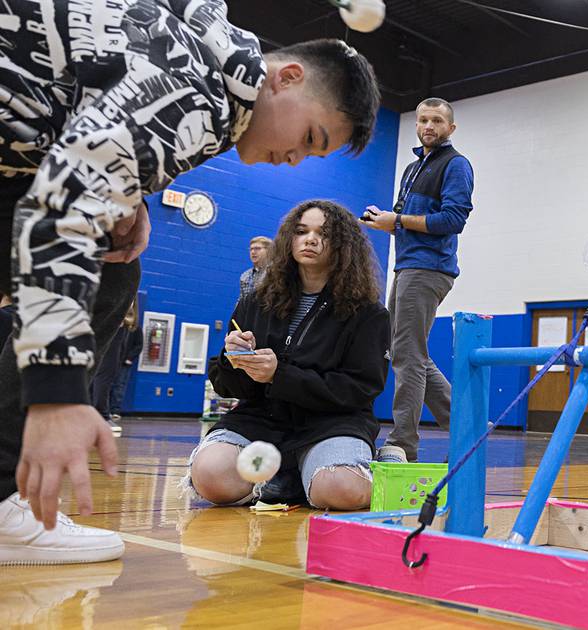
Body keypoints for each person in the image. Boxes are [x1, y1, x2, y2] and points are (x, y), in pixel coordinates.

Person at [0, 0, 380, 566]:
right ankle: (10, 499)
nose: (296, 160)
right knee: (106, 271)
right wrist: (54, 397)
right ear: (288, 77)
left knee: (111, 266)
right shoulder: (200, 94)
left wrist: (130, 195)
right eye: (309, 136)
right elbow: (63, 207)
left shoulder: (209, 59)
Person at [187, 200, 388, 510]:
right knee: (210, 476)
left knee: (339, 490)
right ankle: (289, 479)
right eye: (301, 231)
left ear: (344, 246)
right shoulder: (256, 301)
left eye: (324, 233)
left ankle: (347, 466)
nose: (310, 239)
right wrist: (234, 361)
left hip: (332, 423)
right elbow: (230, 388)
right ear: (288, 240)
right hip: (262, 420)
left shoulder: (369, 313)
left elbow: (360, 389)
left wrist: (279, 375)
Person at [361, 97, 474, 463]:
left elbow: (452, 220)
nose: (429, 126)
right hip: (408, 265)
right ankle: (467, 428)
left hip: (429, 269)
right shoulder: (412, 168)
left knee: (407, 355)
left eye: (437, 120)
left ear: (450, 128)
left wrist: (395, 221)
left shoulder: (456, 165)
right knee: (407, 353)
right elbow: (405, 220)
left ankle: (403, 444)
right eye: (424, 119)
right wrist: (387, 218)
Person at [90, 301, 142, 436]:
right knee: (104, 373)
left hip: (117, 325)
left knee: (103, 373)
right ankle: (101, 416)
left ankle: (97, 414)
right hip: (111, 323)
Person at [240, 237, 273, 301]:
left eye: (257, 248)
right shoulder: (245, 276)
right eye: (251, 249)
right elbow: (242, 301)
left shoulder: (277, 272)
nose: (253, 252)